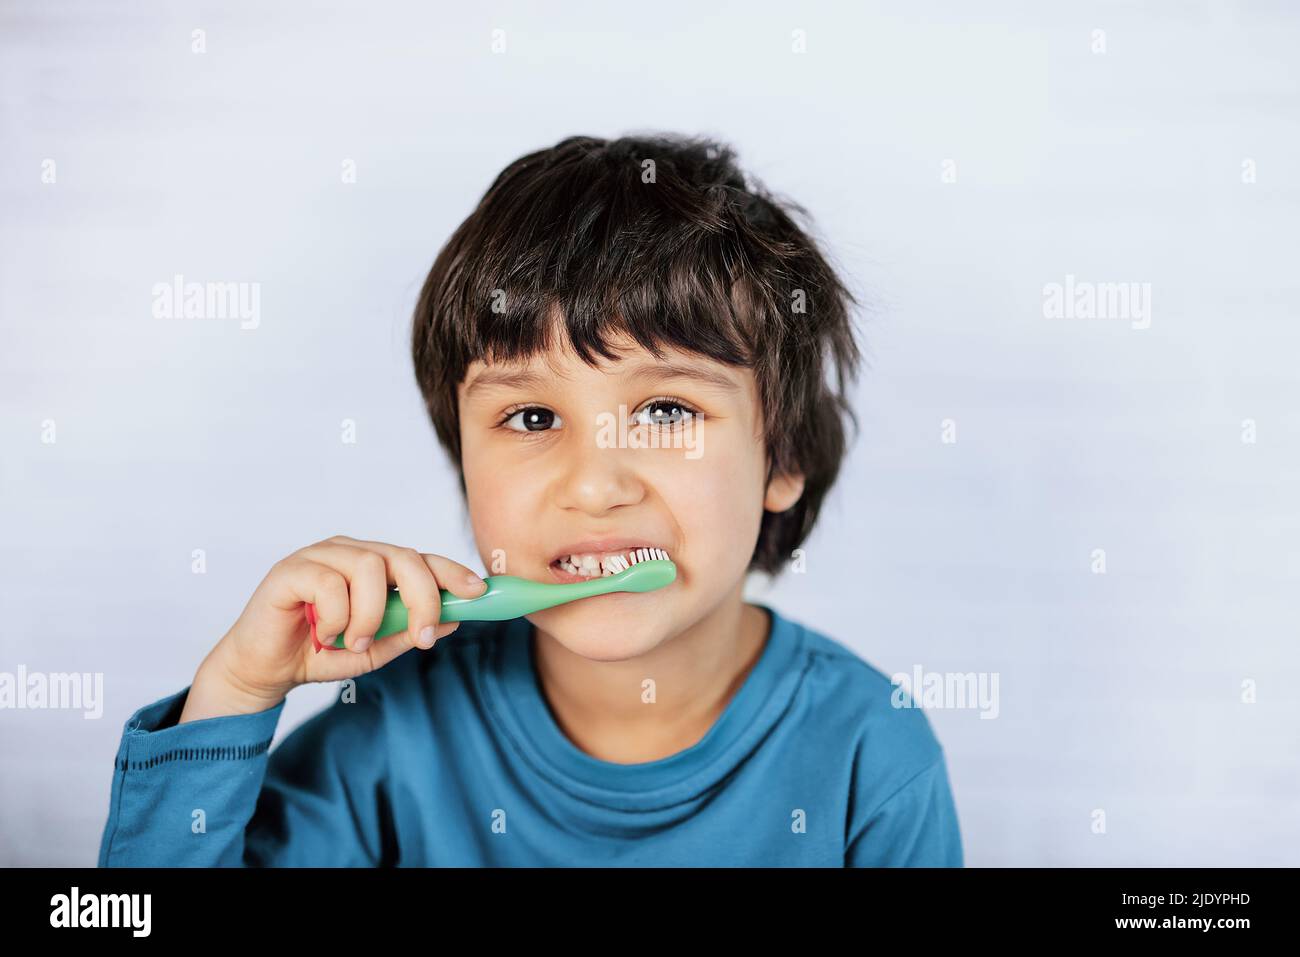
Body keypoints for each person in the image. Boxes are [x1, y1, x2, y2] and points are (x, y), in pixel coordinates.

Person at [98, 133, 963, 866]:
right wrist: (237, 691)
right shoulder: (393, 736)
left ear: (783, 456)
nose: (594, 484)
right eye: (532, 414)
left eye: (666, 410)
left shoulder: (869, 757)